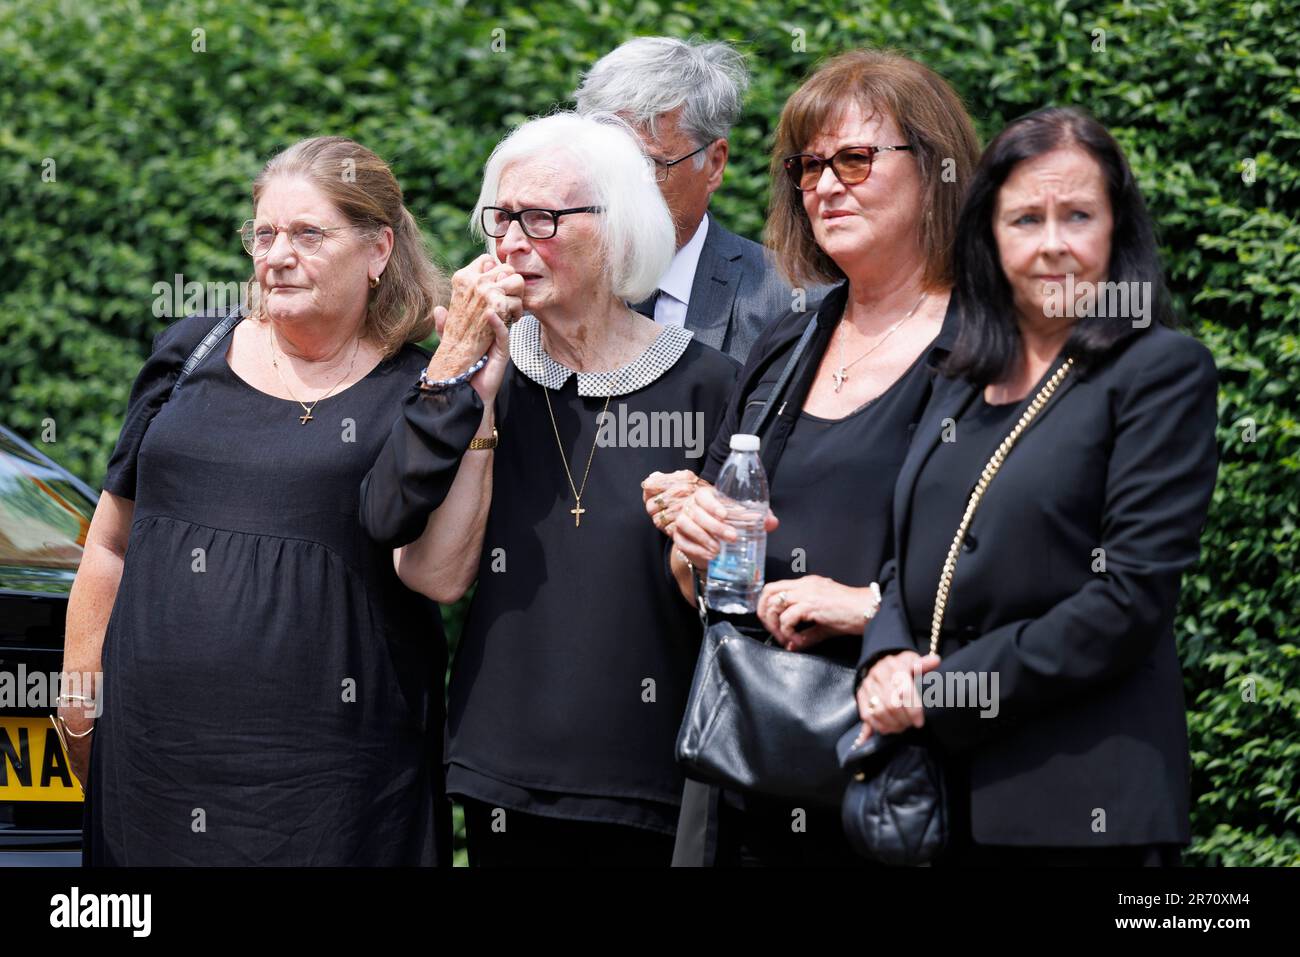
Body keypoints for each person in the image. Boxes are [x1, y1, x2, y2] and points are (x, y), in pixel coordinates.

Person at [60, 135, 494, 865]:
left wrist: (470, 395)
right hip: (151, 765)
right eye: (263, 233)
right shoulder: (189, 353)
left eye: (307, 234)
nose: (276, 254)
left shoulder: (421, 391)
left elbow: (443, 576)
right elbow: (109, 542)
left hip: (333, 789)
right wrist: (78, 697)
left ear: (378, 250)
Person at [359, 112, 740, 867]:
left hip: (654, 771)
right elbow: (426, 568)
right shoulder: (476, 368)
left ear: (620, 228)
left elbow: (729, 590)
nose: (510, 242)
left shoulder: (712, 384)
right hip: (500, 769)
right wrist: (469, 385)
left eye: (542, 218)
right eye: (501, 217)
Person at [854, 107, 1219, 866]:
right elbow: (905, 555)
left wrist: (946, 690)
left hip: (1082, 807)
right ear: (989, 234)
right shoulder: (957, 376)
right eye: (1025, 218)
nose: (1053, 244)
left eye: (1078, 215)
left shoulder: (1159, 371)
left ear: (1117, 231)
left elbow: (1129, 600)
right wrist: (885, 657)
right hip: (935, 803)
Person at [653, 49, 980, 866]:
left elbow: (1042, 589)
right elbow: (705, 584)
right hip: (749, 774)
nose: (825, 185)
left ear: (935, 167)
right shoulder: (786, 343)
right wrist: (692, 535)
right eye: (808, 165)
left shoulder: (988, 354)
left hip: (904, 778)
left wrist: (869, 608)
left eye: (856, 159)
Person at [574, 36, 825, 360]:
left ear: (714, 164)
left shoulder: (794, 303)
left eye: (649, 164)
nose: (624, 188)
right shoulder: (550, 291)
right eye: (608, 164)